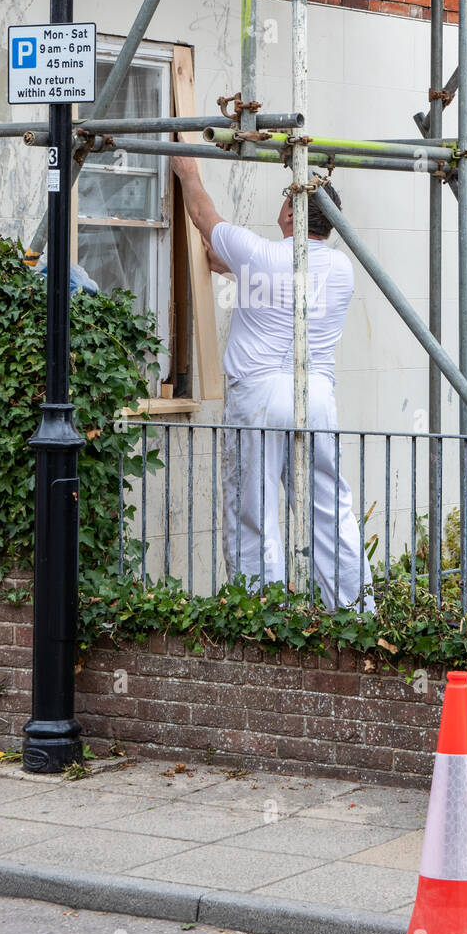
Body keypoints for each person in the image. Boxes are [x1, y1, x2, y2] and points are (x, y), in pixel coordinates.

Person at [171, 153, 374, 613]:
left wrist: (188, 171)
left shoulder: (261, 254)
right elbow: (279, 283)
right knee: (329, 504)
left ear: (290, 212)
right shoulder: (342, 270)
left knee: (254, 507)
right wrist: (229, 268)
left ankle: (260, 612)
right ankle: (356, 610)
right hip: (316, 395)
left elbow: (203, 216)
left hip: (260, 394)